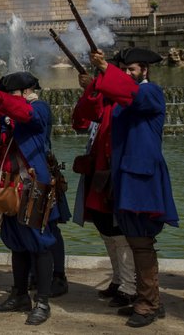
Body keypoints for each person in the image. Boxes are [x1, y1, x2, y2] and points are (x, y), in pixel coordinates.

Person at [89, 48, 178, 327]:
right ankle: (150, 299)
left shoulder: (150, 92)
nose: (128, 73)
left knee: (141, 241)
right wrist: (98, 77)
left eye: (133, 69)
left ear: (145, 70)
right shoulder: (125, 96)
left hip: (143, 177)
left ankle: (148, 303)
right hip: (127, 175)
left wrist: (106, 69)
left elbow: (132, 95)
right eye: (125, 69)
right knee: (135, 239)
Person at [0, 72, 60, 326]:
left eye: (9, 94)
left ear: (25, 92)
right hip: (9, 185)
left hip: (33, 184)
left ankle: (42, 301)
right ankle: (20, 295)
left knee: (39, 243)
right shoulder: (8, 112)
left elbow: (27, 116)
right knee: (17, 243)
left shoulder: (39, 108)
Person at [71, 68, 137, 308]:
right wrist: (91, 90)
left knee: (120, 234)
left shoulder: (130, 100)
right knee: (105, 229)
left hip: (116, 174)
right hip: (98, 174)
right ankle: (119, 279)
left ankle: (129, 286)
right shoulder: (104, 101)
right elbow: (80, 120)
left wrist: (98, 85)